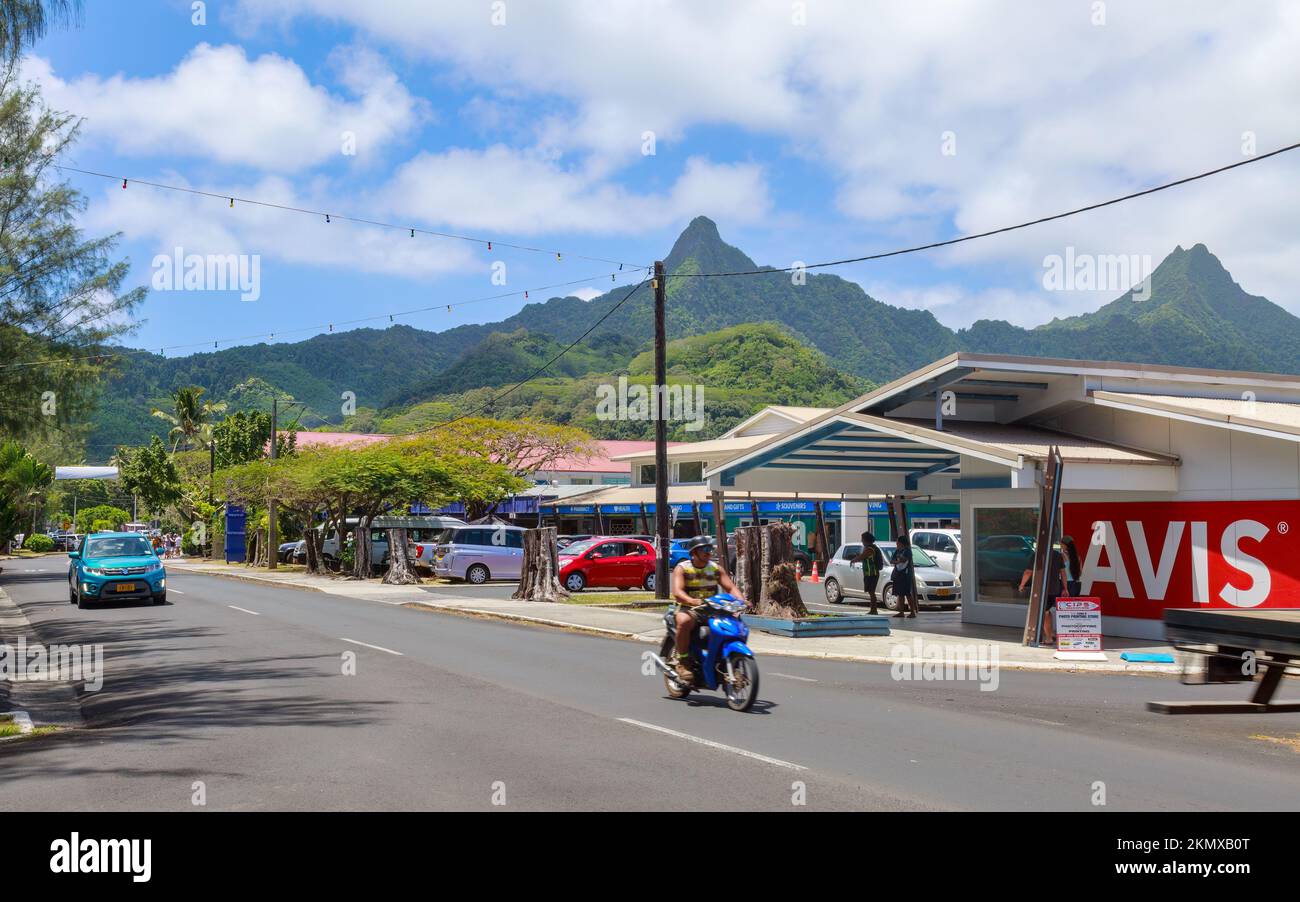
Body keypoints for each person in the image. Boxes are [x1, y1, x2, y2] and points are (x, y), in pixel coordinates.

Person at [670, 536, 746, 685]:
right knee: (683, 621)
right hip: (691, 608)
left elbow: (730, 587)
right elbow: (677, 592)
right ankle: (683, 660)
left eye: (710, 549)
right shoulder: (682, 568)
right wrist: (692, 601)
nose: (709, 552)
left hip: (714, 609)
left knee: (735, 625)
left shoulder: (715, 569)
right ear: (694, 552)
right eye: (705, 549)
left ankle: (725, 658)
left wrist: (741, 601)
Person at [850, 531, 884, 614]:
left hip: (872, 573)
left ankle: (874, 610)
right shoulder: (872, 548)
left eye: (862, 539)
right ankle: (873, 609)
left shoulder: (870, 549)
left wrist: (853, 560)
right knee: (871, 592)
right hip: (870, 573)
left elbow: (862, 557)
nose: (861, 541)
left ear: (866, 540)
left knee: (871, 592)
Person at [890, 532, 920, 619]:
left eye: (898, 543)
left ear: (902, 543)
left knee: (907, 593)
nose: (897, 544)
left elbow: (904, 560)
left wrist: (898, 560)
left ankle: (912, 612)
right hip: (898, 574)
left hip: (906, 574)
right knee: (900, 593)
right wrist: (898, 560)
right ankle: (901, 612)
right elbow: (892, 561)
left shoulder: (907, 551)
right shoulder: (897, 551)